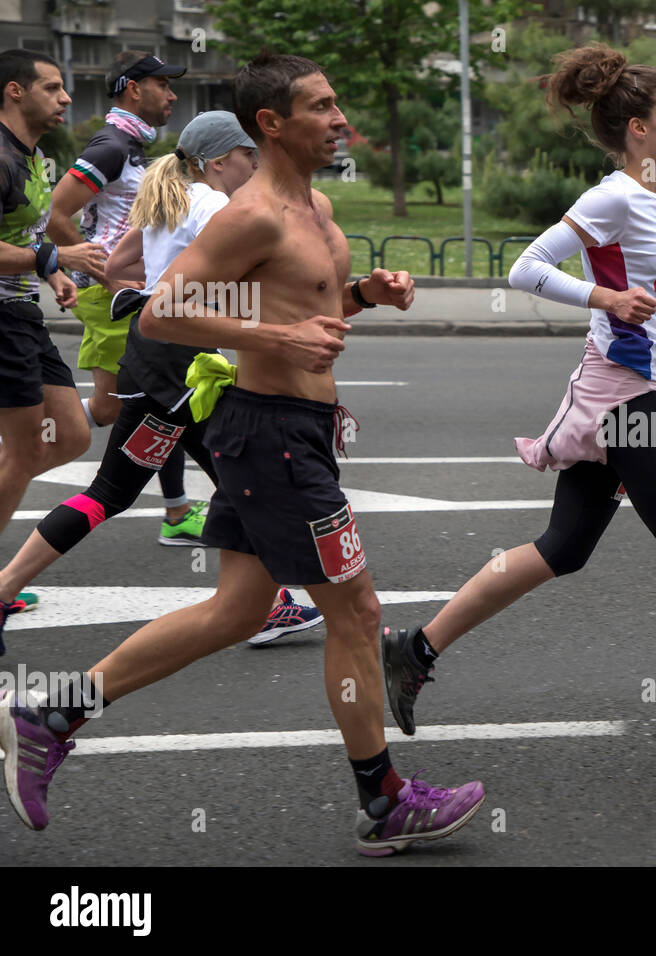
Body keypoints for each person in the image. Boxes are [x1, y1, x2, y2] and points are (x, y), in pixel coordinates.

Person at [0, 53, 484, 856]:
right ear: (271, 123)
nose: (339, 119)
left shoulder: (317, 206)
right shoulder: (253, 214)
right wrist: (276, 337)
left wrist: (367, 294)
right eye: (322, 107)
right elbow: (161, 312)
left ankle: (50, 714)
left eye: (338, 103)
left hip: (295, 434)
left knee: (238, 609)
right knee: (358, 614)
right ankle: (386, 800)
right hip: (272, 436)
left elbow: (304, 303)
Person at [380, 43, 656, 760]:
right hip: (625, 398)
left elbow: (649, 298)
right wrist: (601, 294)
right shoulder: (612, 195)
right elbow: (525, 269)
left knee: (563, 548)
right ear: (638, 129)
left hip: (628, 385)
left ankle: (415, 649)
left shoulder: (654, 197)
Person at [0, 111, 323, 653]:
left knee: (232, 477)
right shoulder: (218, 207)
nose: (255, 166)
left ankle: (271, 601)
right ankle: (5, 586)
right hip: (181, 367)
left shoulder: (167, 204)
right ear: (222, 160)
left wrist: (150, 298)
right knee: (118, 491)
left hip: (166, 361)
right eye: (249, 156)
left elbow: (117, 266)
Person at [46, 51, 208, 548]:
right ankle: (178, 511)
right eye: (163, 84)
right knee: (165, 396)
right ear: (133, 89)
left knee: (130, 404)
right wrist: (86, 264)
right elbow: (56, 210)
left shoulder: (133, 146)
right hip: (120, 296)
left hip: (127, 292)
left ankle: (177, 510)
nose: (172, 94)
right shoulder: (112, 146)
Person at [0, 50, 106, 614]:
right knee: (23, 452)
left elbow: (29, 239)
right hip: (0, 321)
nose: (66, 98)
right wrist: (54, 256)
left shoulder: (33, 156)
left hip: (21, 315)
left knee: (69, 434)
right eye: (54, 87)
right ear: (15, 91)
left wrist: (55, 273)